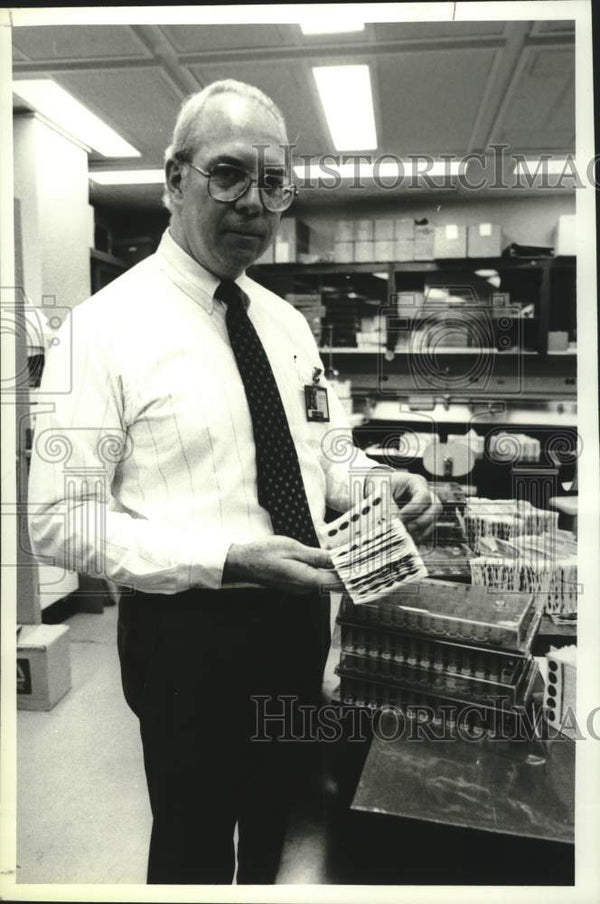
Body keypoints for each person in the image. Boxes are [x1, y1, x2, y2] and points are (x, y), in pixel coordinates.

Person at [28, 79, 440, 885]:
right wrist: (228, 559)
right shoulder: (102, 330)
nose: (255, 201)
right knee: (192, 844)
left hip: (298, 619)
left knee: (281, 829)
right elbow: (58, 520)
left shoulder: (287, 326)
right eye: (228, 173)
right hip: (189, 639)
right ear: (174, 180)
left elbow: (327, 455)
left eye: (275, 182)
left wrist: (379, 482)